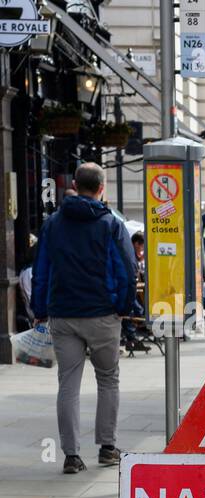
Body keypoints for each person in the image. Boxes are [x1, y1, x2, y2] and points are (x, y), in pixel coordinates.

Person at [32, 162, 134, 473]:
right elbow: (127, 269)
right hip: (103, 314)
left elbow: (42, 271)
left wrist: (40, 310)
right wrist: (123, 306)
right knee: (107, 379)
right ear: (101, 188)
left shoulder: (53, 224)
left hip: (63, 314)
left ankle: (71, 456)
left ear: (75, 184)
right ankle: (107, 447)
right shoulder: (110, 224)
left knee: (68, 385)